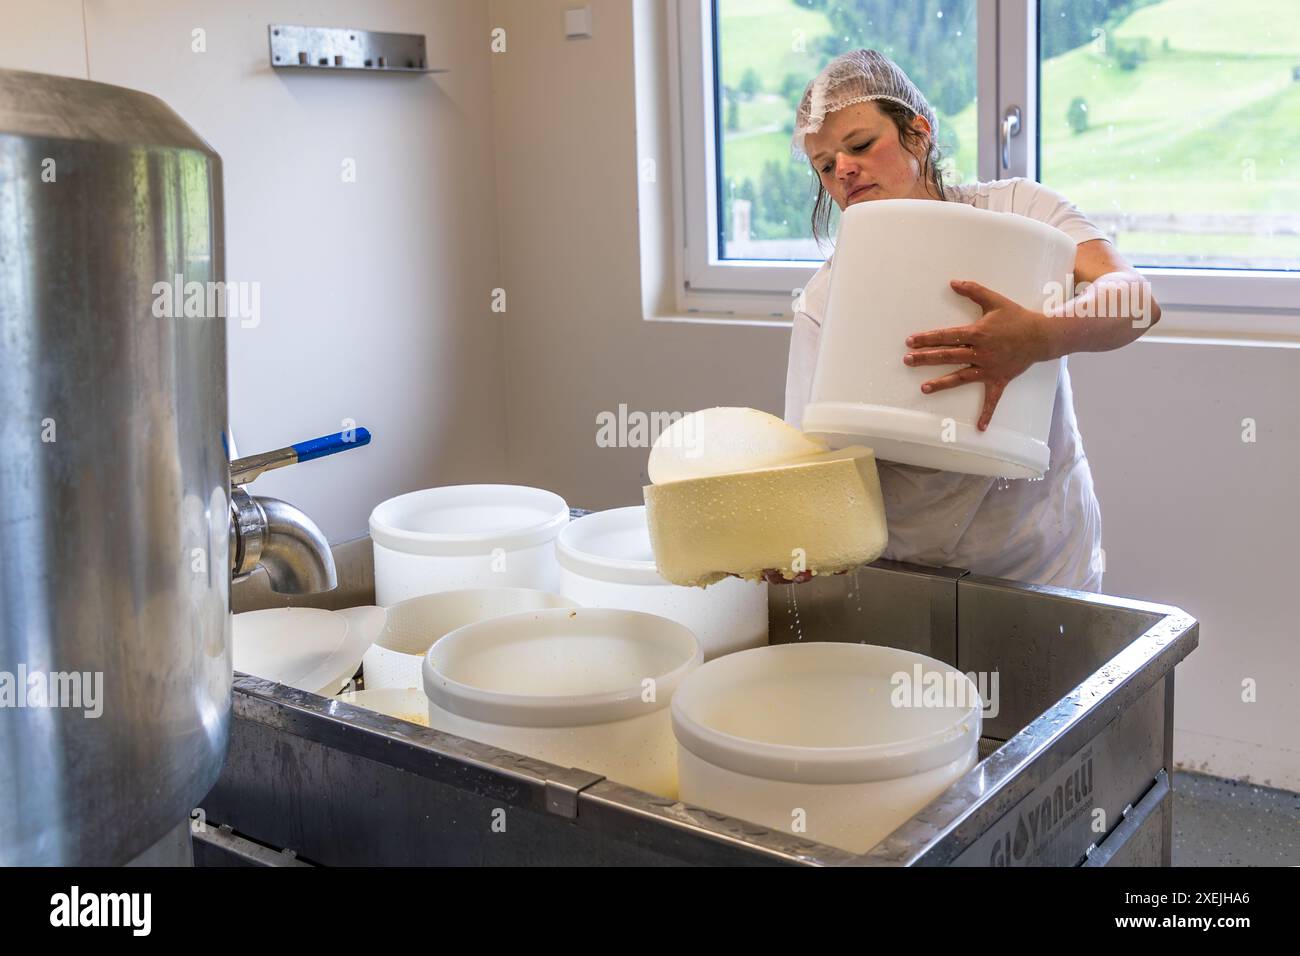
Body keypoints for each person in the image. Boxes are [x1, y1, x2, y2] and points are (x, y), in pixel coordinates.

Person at [780, 50, 1161, 592]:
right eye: (824, 164)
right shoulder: (823, 301)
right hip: (909, 573)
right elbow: (811, 459)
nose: (842, 170)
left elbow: (1136, 301)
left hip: (1041, 557)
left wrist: (1040, 336)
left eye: (861, 145)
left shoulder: (1019, 213)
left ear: (919, 132)